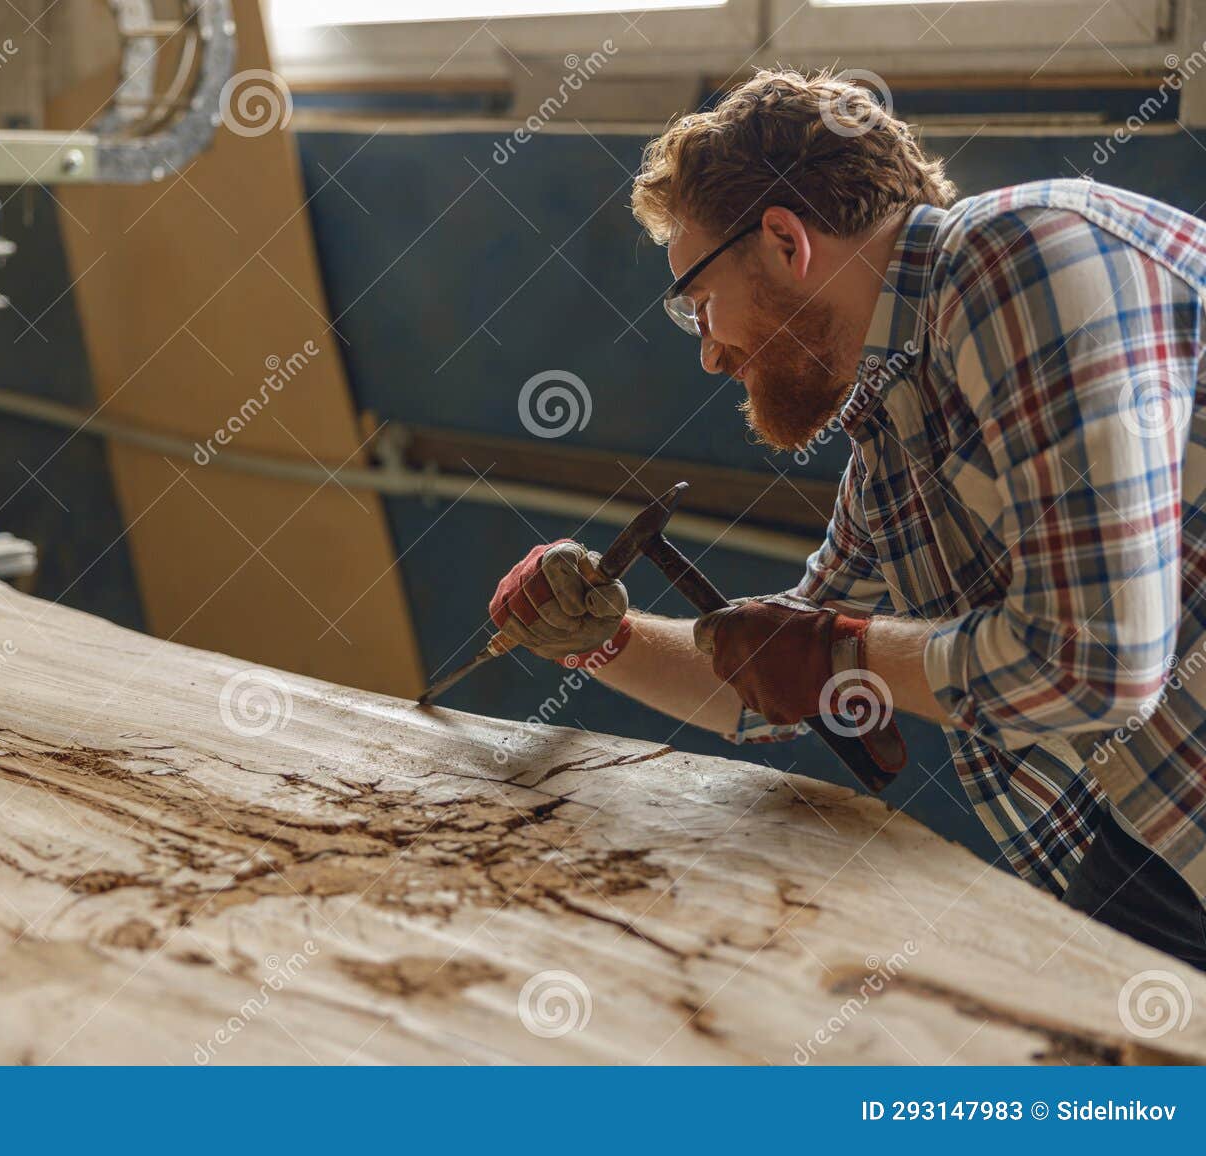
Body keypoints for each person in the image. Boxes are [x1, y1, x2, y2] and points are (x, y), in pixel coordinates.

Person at [489, 69, 1206, 966]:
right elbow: (770, 682)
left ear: (786, 241)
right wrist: (596, 638)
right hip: (1167, 829)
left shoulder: (1017, 255)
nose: (710, 352)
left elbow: (1095, 662)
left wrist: (840, 650)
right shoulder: (895, 438)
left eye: (699, 304)